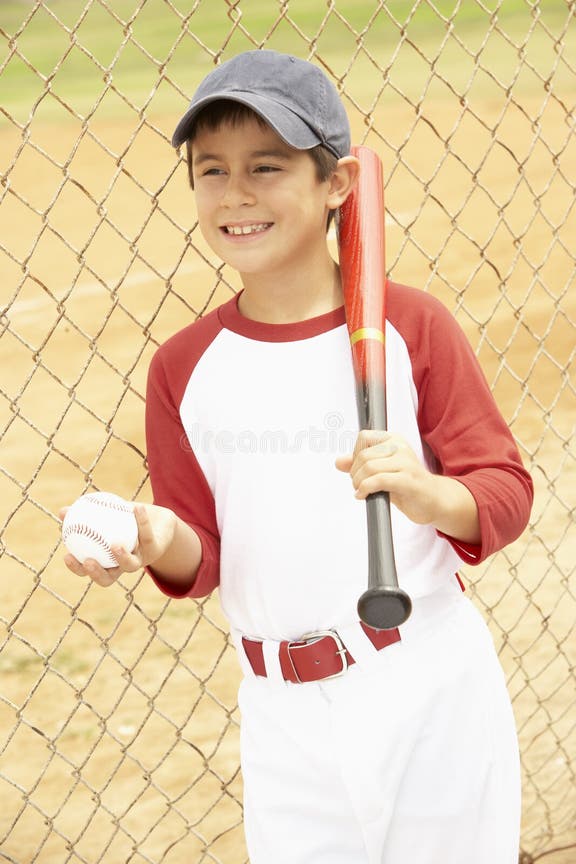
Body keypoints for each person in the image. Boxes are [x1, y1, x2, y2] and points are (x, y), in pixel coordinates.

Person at [62, 50, 534, 864]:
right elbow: (200, 553)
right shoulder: (182, 366)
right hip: (280, 719)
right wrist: (148, 533)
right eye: (212, 171)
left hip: (423, 687)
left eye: (267, 166)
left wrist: (425, 494)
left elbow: (504, 490)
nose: (236, 194)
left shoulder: (410, 328)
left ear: (338, 185)